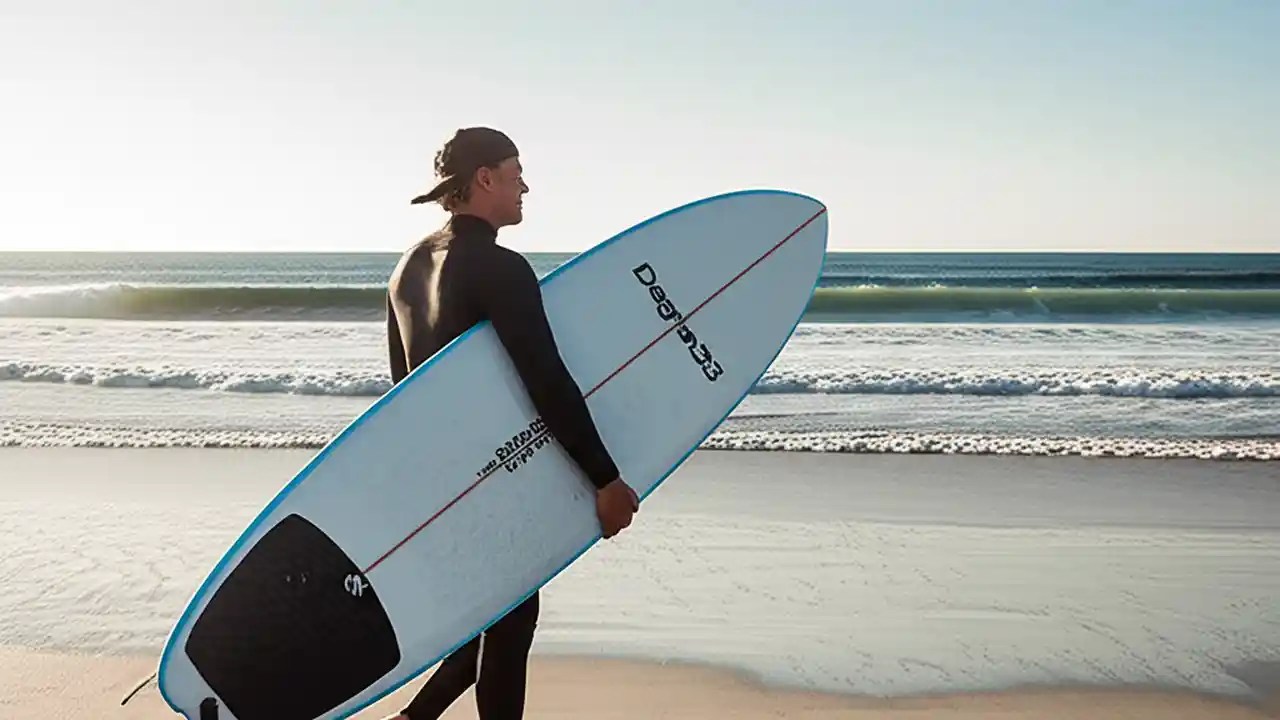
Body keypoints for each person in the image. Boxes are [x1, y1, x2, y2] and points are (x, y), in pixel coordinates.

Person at [382, 127, 639, 720]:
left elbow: (400, 398)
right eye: (515, 170)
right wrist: (603, 478)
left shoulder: (407, 269)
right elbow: (545, 380)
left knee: (488, 617)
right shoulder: (500, 267)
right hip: (493, 473)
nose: (526, 184)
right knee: (510, 618)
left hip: (440, 480)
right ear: (484, 179)